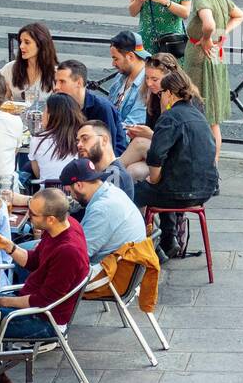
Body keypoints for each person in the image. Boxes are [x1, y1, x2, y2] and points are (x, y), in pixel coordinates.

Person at [0, 188, 91, 383]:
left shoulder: (68, 251)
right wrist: (8, 246)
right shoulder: (63, 228)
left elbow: (43, 301)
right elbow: (35, 261)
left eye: (33, 214)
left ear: (51, 219)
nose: (28, 216)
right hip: (34, 305)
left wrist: (3, 301)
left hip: (44, 320)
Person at [135, 72, 219, 262]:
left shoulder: (169, 117)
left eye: (161, 93)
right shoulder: (199, 116)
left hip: (176, 193)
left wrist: (153, 179)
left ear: (170, 94)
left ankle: (145, 250)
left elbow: (155, 157)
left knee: (129, 195)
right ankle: (165, 241)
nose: (160, 98)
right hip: (204, 191)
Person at [182, 0, 243, 165]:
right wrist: (222, 34)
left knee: (201, 115)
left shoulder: (201, 0)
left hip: (200, 62)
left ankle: (206, 165)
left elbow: (207, 24)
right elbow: (239, 15)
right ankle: (213, 165)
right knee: (212, 118)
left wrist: (208, 38)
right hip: (215, 59)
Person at [59, 157, 147, 266]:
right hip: (121, 267)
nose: (71, 196)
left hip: (108, 275)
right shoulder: (111, 191)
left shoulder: (102, 208)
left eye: (70, 191)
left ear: (78, 185)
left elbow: (77, 255)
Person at [116, 52, 185, 181]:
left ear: (170, 79)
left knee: (139, 144)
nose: (149, 83)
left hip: (180, 155)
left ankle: (102, 179)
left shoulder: (182, 99)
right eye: (146, 78)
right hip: (159, 153)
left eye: (154, 79)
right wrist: (139, 132)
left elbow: (180, 140)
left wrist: (150, 135)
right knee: (133, 170)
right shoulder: (153, 97)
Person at [54, 60, 127, 152]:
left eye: (62, 82)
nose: (56, 87)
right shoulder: (63, 104)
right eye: (55, 82)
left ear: (79, 83)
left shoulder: (102, 107)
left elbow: (109, 148)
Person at [29, 93, 87, 185]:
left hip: (47, 194)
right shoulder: (82, 139)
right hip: (75, 194)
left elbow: (38, 173)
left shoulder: (37, 140)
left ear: (51, 115)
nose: (42, 114)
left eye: (45, 110)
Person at [1, 21, 58, 107]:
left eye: (27, 42)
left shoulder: (56, 73)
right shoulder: (10, 68)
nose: (21, 46)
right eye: (21, 42)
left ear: (41, 45)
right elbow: (0, 99)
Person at [77, 120, 134, 199]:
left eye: (85, 139)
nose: (79, 145)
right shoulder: (96, 174)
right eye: (78, 141)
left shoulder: (116, 177)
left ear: (104, 140)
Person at [107, 31, 149, 127]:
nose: (113, 64)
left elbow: (132, 127)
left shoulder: (147, 85)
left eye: (116, 59)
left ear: (130, 56)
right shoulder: (120, 77)